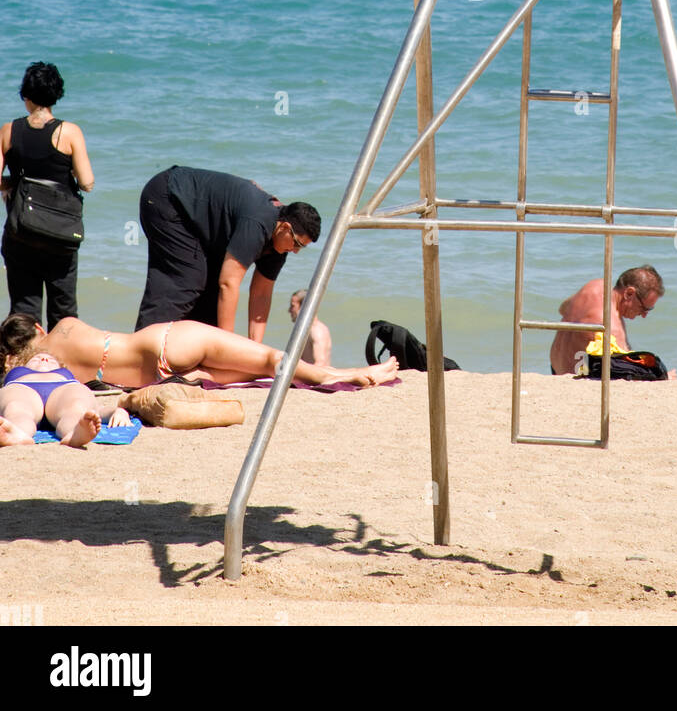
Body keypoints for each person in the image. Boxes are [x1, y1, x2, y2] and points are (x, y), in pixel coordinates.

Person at [134, 166, 321, 340]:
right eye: (297, 244)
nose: (295, 251)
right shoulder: (257, 223)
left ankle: (191, 356)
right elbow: (229, 283)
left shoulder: (281, 243)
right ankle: (140, 353)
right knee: (187, 280)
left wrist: (254, 349)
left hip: (201, 223)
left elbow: (261, 294)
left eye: (301, 247)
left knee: (212, 293)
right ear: (286, 227)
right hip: (167, 198)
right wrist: (229, 347)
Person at [0, 313, 398, 392]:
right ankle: (341, 374)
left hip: (161, 373)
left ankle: (336, 374)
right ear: (37, 327)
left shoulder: (40, 370)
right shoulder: (65, 325)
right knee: (270, 361)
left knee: (268, 372)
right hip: (169, 340)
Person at [1, 62, 95, 328]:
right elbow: (87, 182)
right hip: (60, 234)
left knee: (23, 310)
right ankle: (63, 367)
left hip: (21, 231)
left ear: (25, 96)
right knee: (64, 311)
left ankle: (21, 365)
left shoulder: (9, 131)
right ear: (56, 95)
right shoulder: (70, 132)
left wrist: (14, 184)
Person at [0, 350, 130, 448]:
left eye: (50, 359)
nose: (44, 359)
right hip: (22, 388)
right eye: (36, 358)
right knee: (15, 408)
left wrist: (117, 411)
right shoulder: (17, 374)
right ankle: (17, 433)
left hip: (62, 390)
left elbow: (96, 411)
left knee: (76, 407)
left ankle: (74, 432)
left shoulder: (66, 378)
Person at [550, 265, 665, 375]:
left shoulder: (594, 286)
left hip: (555, 368)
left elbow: (562, 309)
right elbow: (627, 370)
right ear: (629, 293)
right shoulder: (611, 327)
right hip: (575, 376)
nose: (644, 315)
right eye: (644, 308)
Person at [289, 289, 332, 366]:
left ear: (304, 307)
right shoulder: (305, 330)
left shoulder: (317, 331)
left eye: (292, 306)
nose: (289, 310)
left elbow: (320, 363)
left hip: (315, 377)